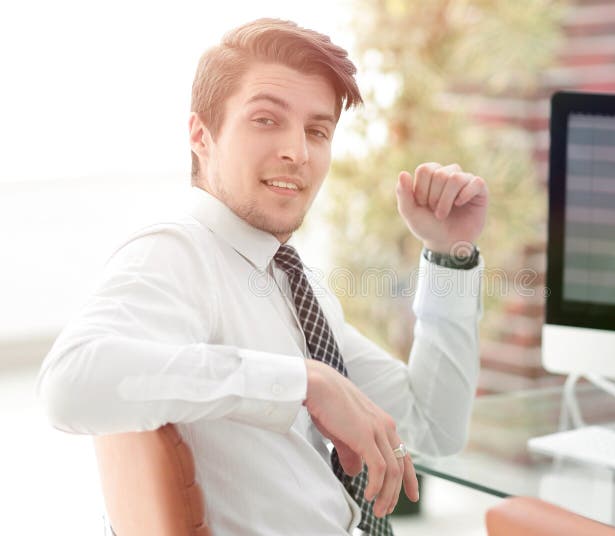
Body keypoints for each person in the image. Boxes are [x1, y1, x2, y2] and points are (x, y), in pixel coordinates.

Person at [37, 17, 487, 536]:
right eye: (267, 120)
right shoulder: (177, 252)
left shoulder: (290, 281)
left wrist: (449, 252)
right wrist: (301, 382)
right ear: (201, 136)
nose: (298, 151)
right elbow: (68, 385)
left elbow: (431, 428)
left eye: (317, 130)